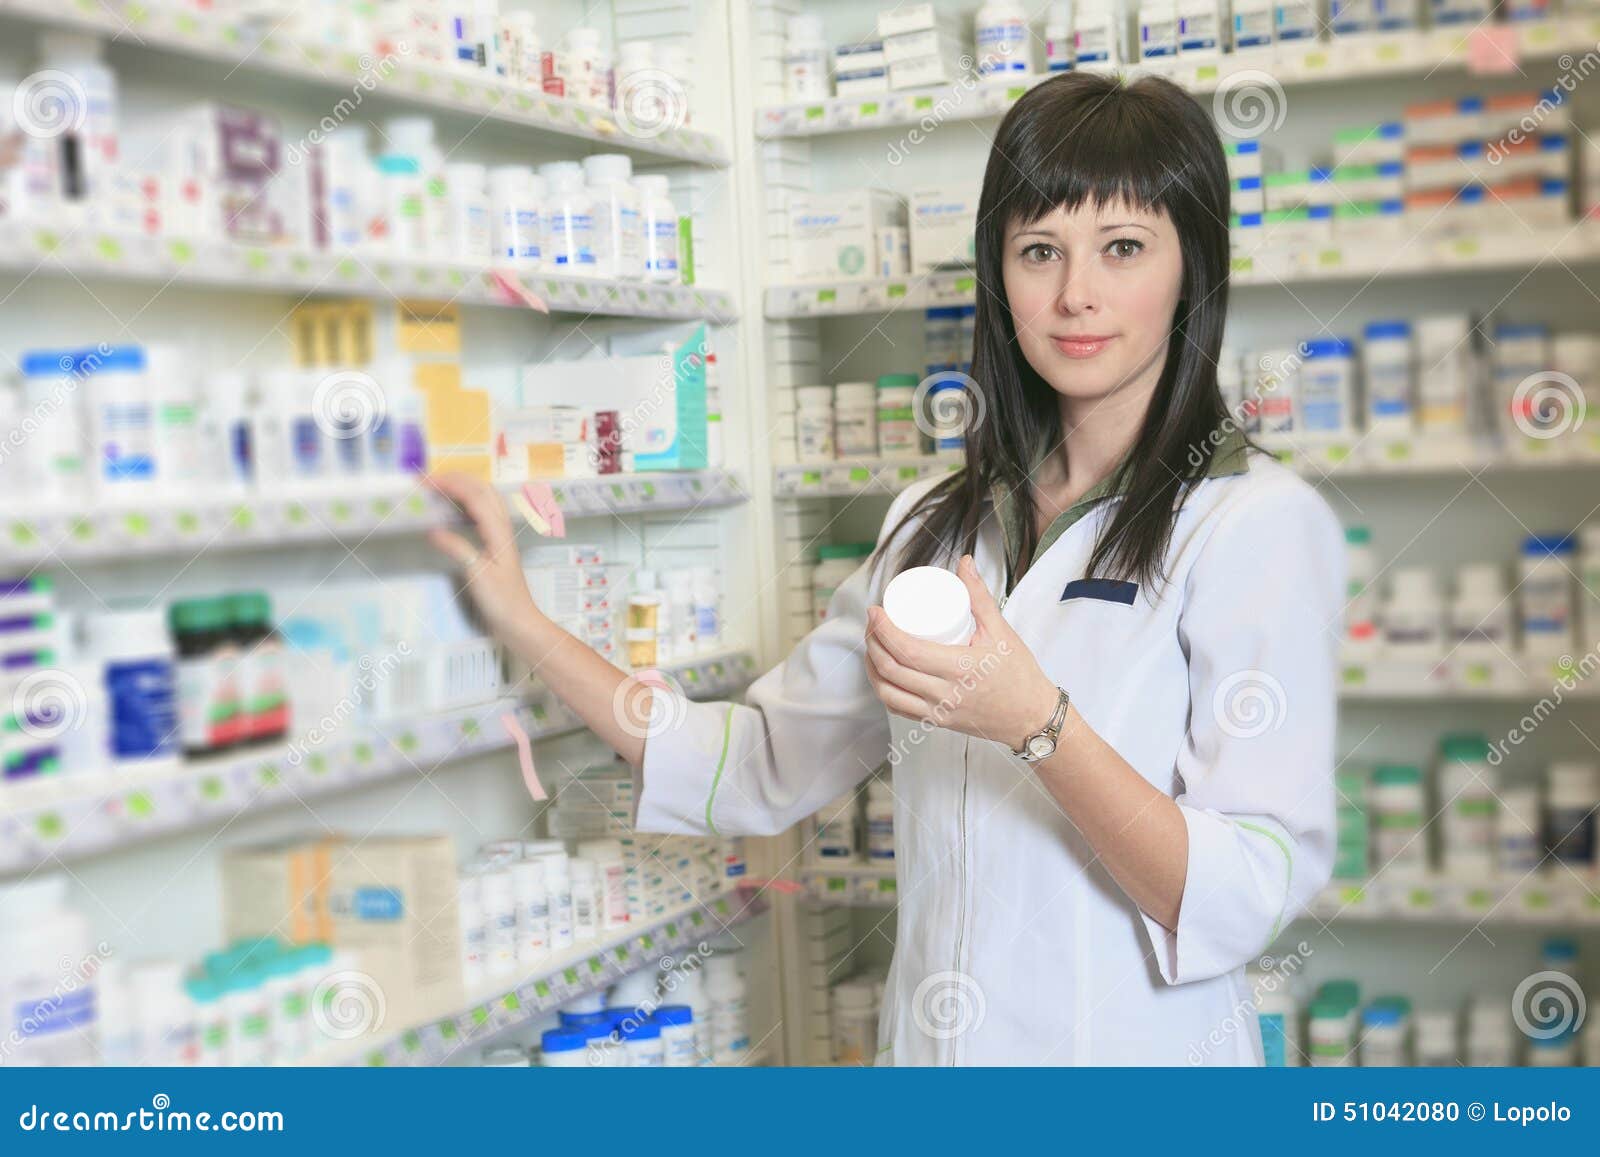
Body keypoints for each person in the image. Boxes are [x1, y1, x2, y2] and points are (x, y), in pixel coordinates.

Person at [428, 72, 1344, 1066]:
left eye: (1122, 247)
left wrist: (1037, 725)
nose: (1075, 292)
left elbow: (1241, 890)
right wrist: (522, 619)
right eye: (1039, 250)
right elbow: (755, 765)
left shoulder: (1252, 522)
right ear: (999, 276)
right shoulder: (932, 525)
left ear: (1189, 269)